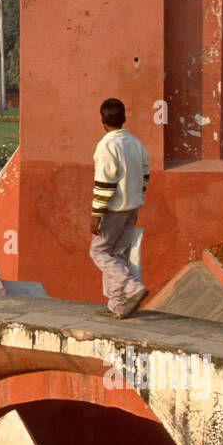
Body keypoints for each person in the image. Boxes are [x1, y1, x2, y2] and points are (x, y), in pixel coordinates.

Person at [90, 97, 151, 317]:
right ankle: (118, 304)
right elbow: (145, 174)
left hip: (114, 209)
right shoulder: (135, 143)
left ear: (103, 120)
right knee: (118, 253)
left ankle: (131, 287)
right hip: (132, 207)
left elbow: (105, 182)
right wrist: (137, 196)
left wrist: (97, 214)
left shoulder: (107, 145)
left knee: (99, 252)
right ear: (124, 118)